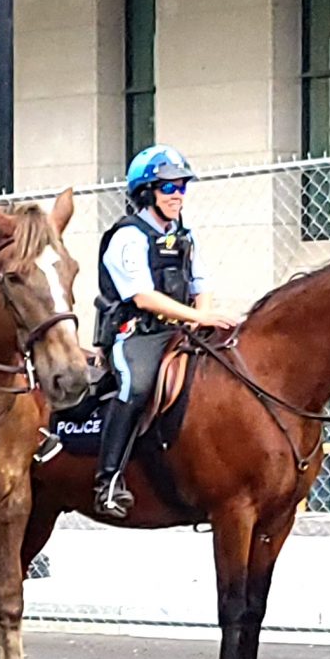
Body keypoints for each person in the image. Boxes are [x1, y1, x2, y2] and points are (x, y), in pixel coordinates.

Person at [91, 144, 238, 520]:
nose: (178, 195)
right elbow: (142, 297)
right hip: (137, 335)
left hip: (182, 331)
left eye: (182, 186)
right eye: (169, 188)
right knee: (135, 385)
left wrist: (201, 316)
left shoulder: (185, 235)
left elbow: (201, 283)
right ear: (147, 193)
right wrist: (195, 316)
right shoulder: (128, 237)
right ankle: (108, 480)